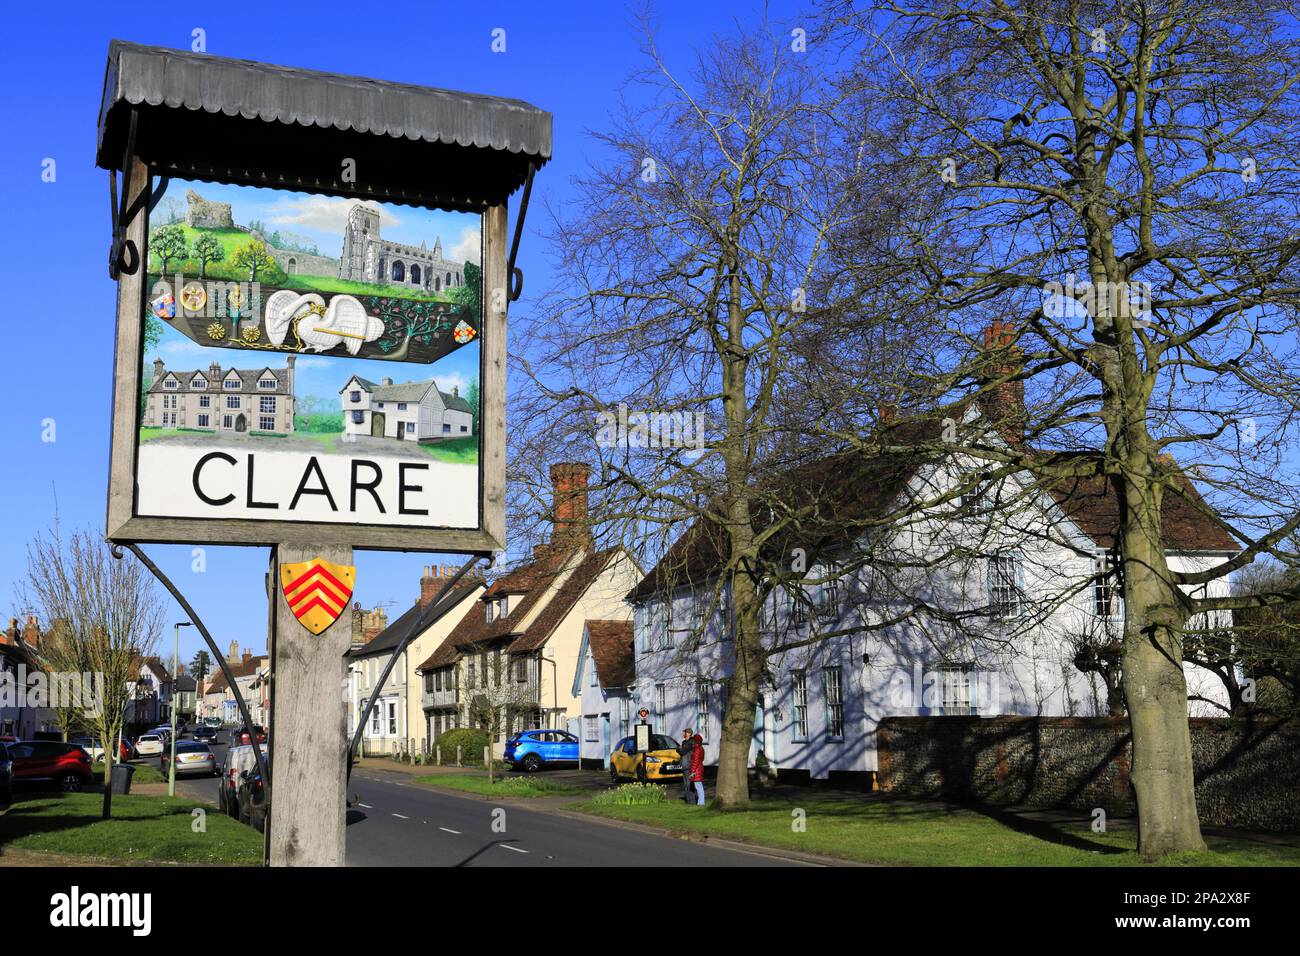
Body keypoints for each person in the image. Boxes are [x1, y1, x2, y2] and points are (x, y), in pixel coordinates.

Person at [677, 729, 695, 802]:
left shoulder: (691, 741)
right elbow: (679, 750)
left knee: (689, 783)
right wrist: (679, 748)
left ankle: (692, 800)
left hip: (688, 764)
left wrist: (680, 748)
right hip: (684, 765)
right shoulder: (684, 742)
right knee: (685, 784)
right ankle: (688, 800)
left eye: (684, 732)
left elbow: (682, 751)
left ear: (689, 733)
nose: (683, 734)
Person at [689, 732, 705, 805]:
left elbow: (695, 761)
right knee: (699, 786)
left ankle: (701, 802)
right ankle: (701, 801)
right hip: (699, 768)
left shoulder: (697, 749)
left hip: (696, 770)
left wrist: (692, 771)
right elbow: (702, 759)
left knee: (698, 786)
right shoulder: (701, 748)